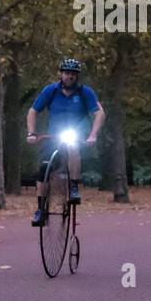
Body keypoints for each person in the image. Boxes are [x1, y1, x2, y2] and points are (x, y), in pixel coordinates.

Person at [27, 58, 104, 225]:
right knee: (43, 169)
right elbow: (33, 111)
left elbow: (99, 113)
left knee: (73, 146)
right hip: (53, 136)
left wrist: (93, 135)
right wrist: (31, 132)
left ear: (77, 77)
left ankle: (74, 187)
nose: (70, 77)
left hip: (76, 133)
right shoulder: (50, 91)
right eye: (67, 73)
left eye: (73, 74)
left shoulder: (85, 92)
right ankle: (40, 209)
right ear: (60, 74)